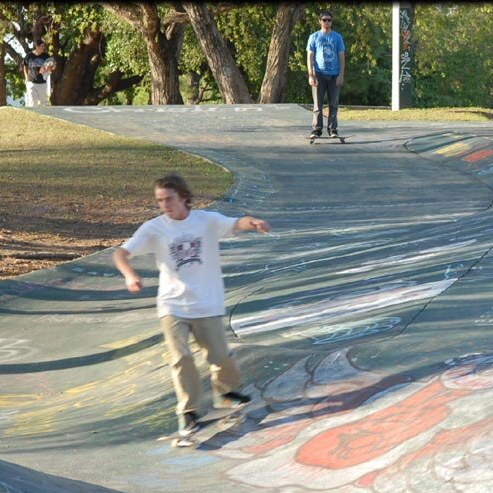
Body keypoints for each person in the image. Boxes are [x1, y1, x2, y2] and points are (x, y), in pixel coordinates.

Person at [113, 174, 271, 438]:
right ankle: (188, 412)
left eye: (169, 199)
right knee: (180, 358)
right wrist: (129, 273)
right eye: (159, 200)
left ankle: (227, 397)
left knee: (220, 357)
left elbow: (235, 223)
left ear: (184, 197)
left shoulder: (206, 220)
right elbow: (121, 252)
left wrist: (252, 223)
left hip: (207, 302)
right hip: (172, 304)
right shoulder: (154, 228)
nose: (164, 205)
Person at [306, 11, 345, 138]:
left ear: (331, 22)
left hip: (334, 75)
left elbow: (341, 56)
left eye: (329, 20)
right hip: (319, 74)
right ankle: (317, 129)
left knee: (333, 104)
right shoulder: (314, 37)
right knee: (318, 104)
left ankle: (333, 129)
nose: (327, 22)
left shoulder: (337, 37)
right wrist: (311, 75)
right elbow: (310, 56)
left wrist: (341, 75)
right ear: (320, 21)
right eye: (324, 20)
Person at [22, 40, 54, 107]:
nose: (43, 48)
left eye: (44, 46)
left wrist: (50, 68)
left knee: (43, 103)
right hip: (31, 82)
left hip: (42, 82)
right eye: (42, 46)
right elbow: (25, 66)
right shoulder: (29, 56)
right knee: (33, 102)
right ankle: (32, 116)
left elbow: (52, 66)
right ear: (37, 47)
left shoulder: (46, 56)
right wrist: (26, 77)